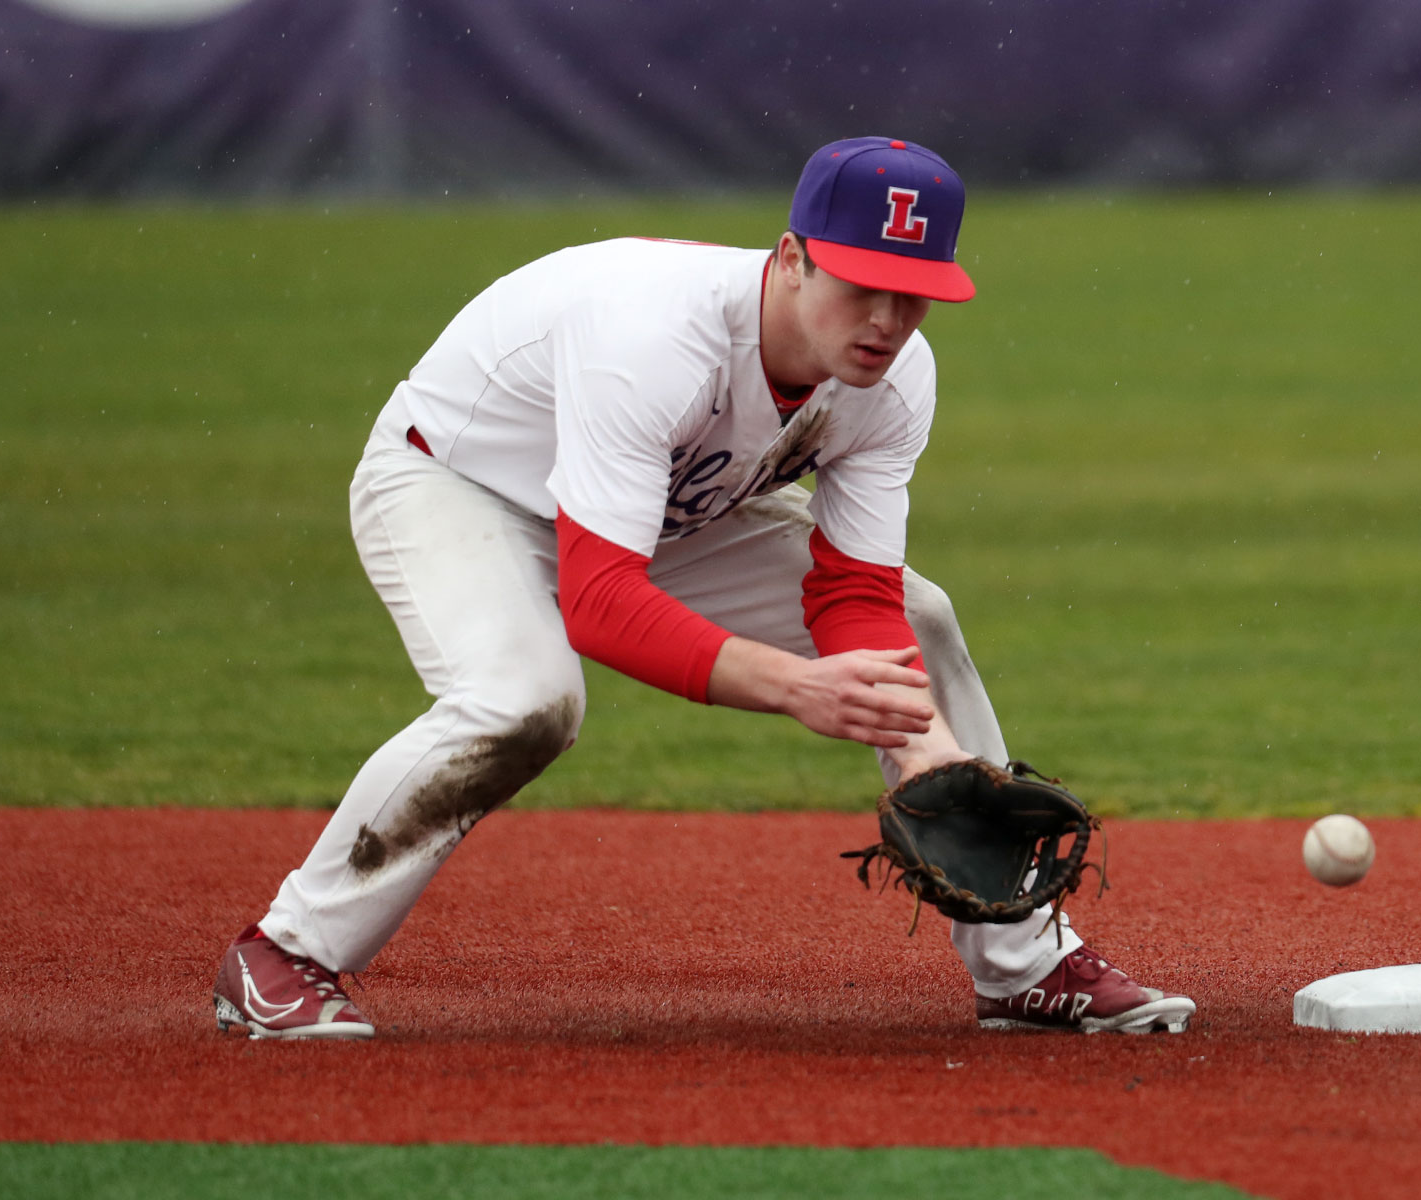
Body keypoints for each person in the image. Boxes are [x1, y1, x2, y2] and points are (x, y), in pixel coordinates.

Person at [212, 136, 1195, 1040]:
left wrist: (926, 749)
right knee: (525, 703)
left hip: (677, 508)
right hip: (461, 484)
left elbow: (854, 590)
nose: (889, 320)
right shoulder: (652, 336)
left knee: (920, 619)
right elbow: (599, 601)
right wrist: (794, 687)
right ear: (792, 258)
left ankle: (1024, 968)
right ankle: (283, 953)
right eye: (864, 286)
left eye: (916, 293)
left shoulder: (895, 381)